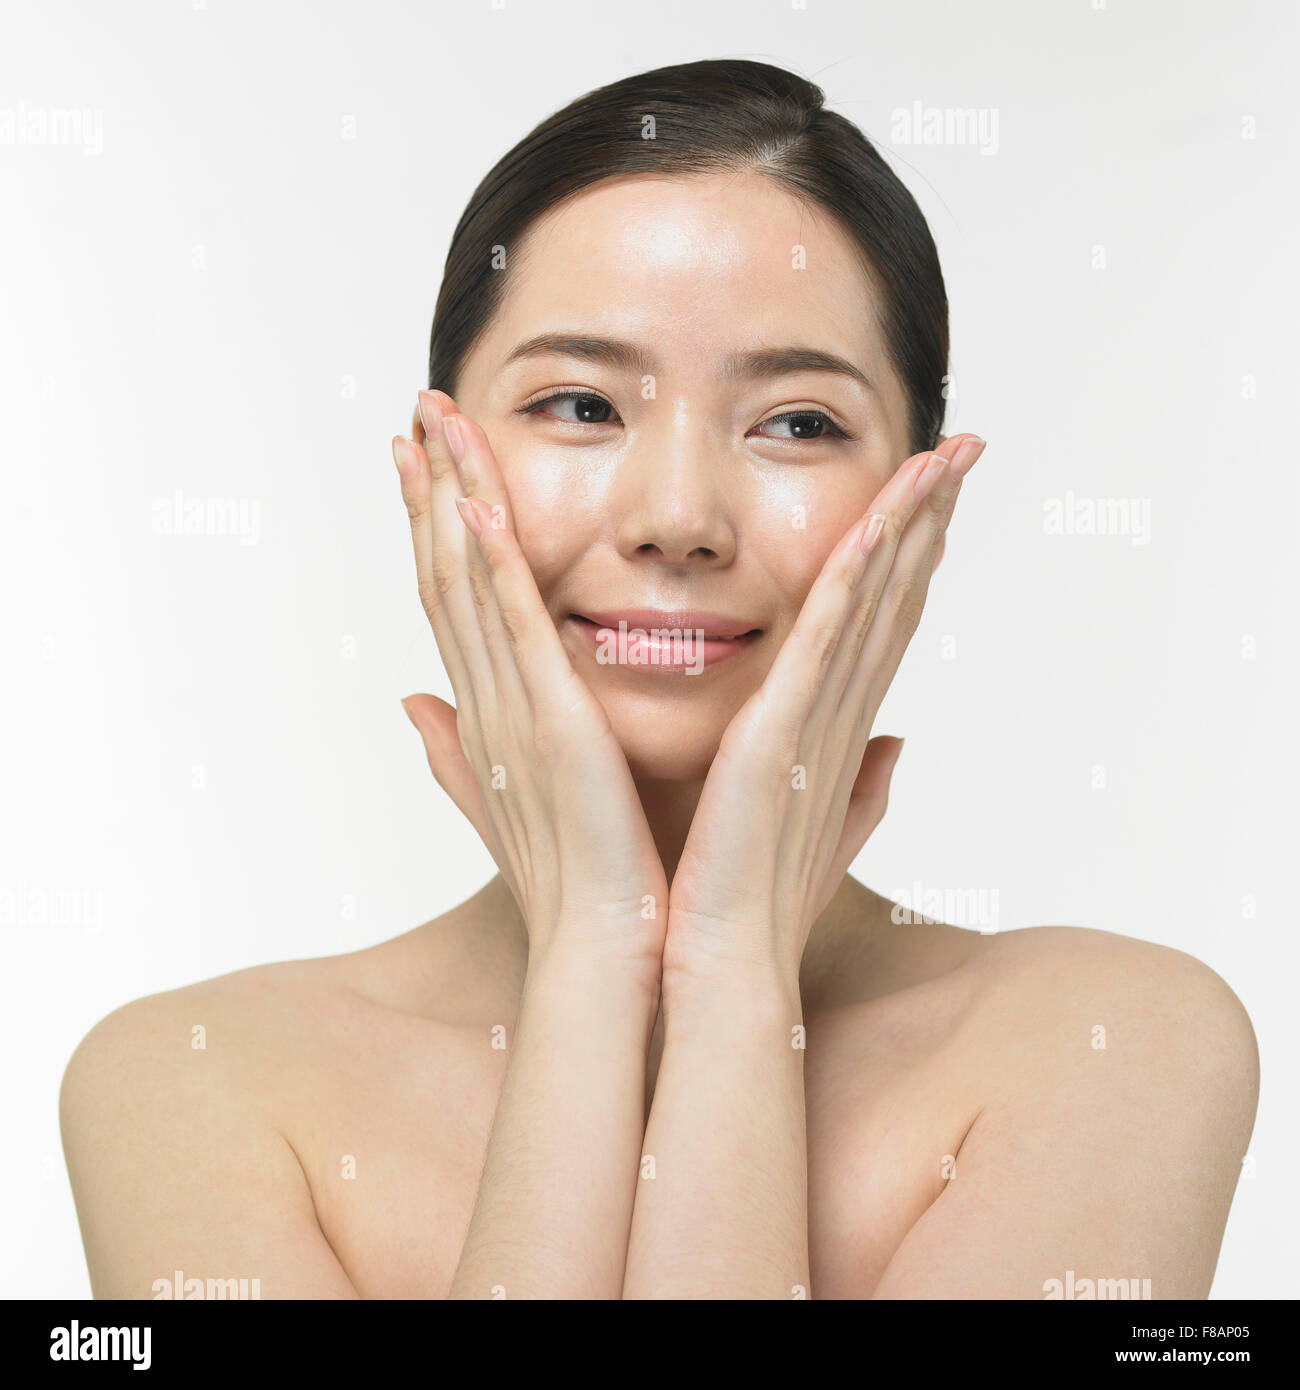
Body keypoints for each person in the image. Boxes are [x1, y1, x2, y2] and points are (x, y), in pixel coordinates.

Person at [61, 59, 1257, 1300]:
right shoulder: (187, 1086)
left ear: (922, 503)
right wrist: (591, 954)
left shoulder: (1119, 1044)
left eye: (796, 421)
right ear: (431, 466)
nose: (678, 517)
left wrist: (732, 968)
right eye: (579, 403)